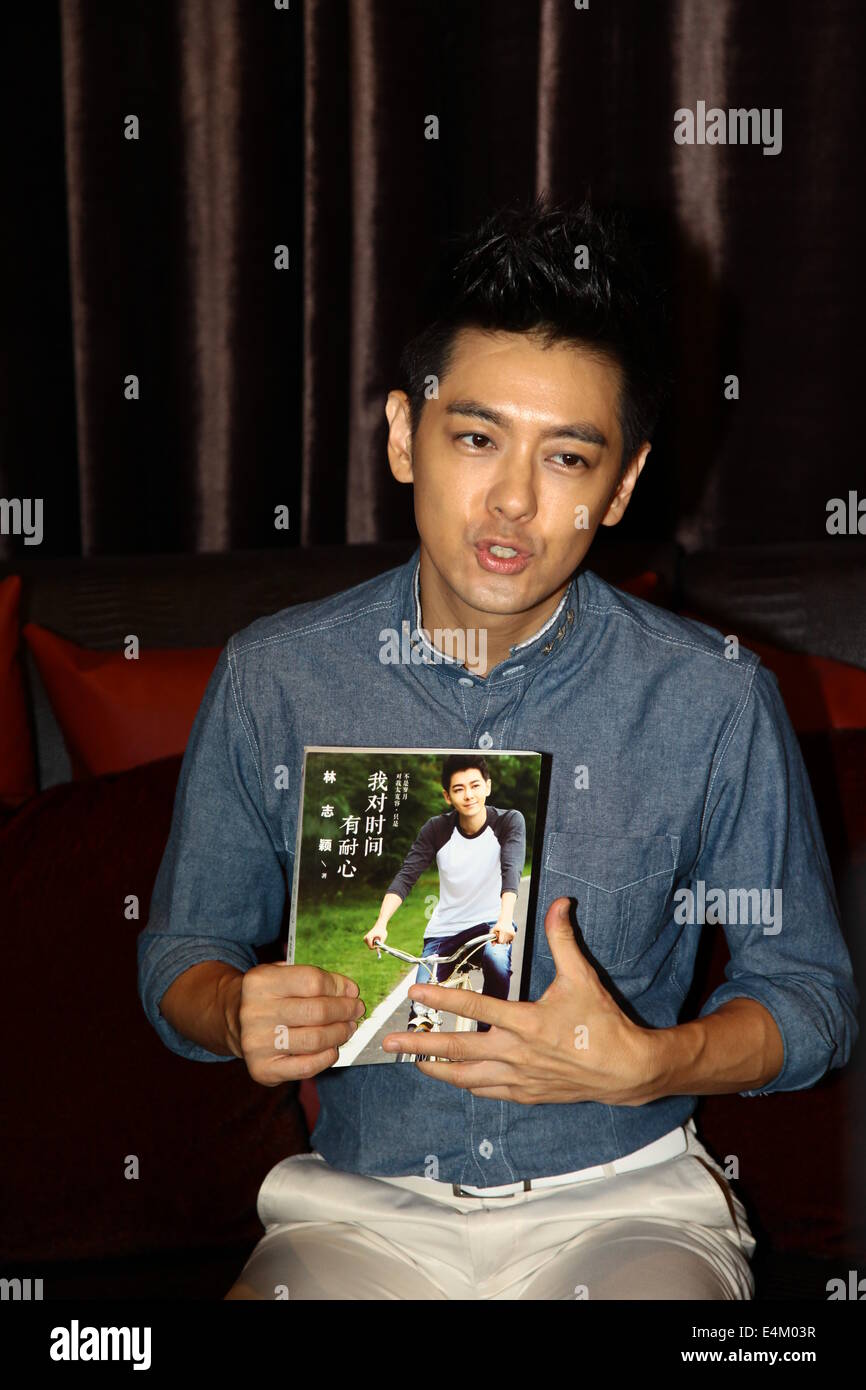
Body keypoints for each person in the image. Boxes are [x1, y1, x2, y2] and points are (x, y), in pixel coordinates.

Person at [137, 194, 858, 1301]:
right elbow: (178, 953)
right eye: (474, 438)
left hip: (625, 1202)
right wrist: (231, 1007)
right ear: (399, 435)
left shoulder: (712, 699)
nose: (511, 502)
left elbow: (808, 998)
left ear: (618, 486)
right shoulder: (274, 678)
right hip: (359, 1211)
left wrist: (650, 1060)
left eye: (567, 459)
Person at [362, 755, 526, 1034]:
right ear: (447, 796)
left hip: (491, 925)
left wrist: (505, 919)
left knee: (498, 962)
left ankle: (488, 1036)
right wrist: (381, 924)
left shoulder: (509, 822)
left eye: (475, 785)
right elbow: (406, 877)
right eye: (459, 789)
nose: (468, 795)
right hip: (445, 931)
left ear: (487, 786)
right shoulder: (436, 829)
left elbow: (512, 870)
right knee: (421, 1004)